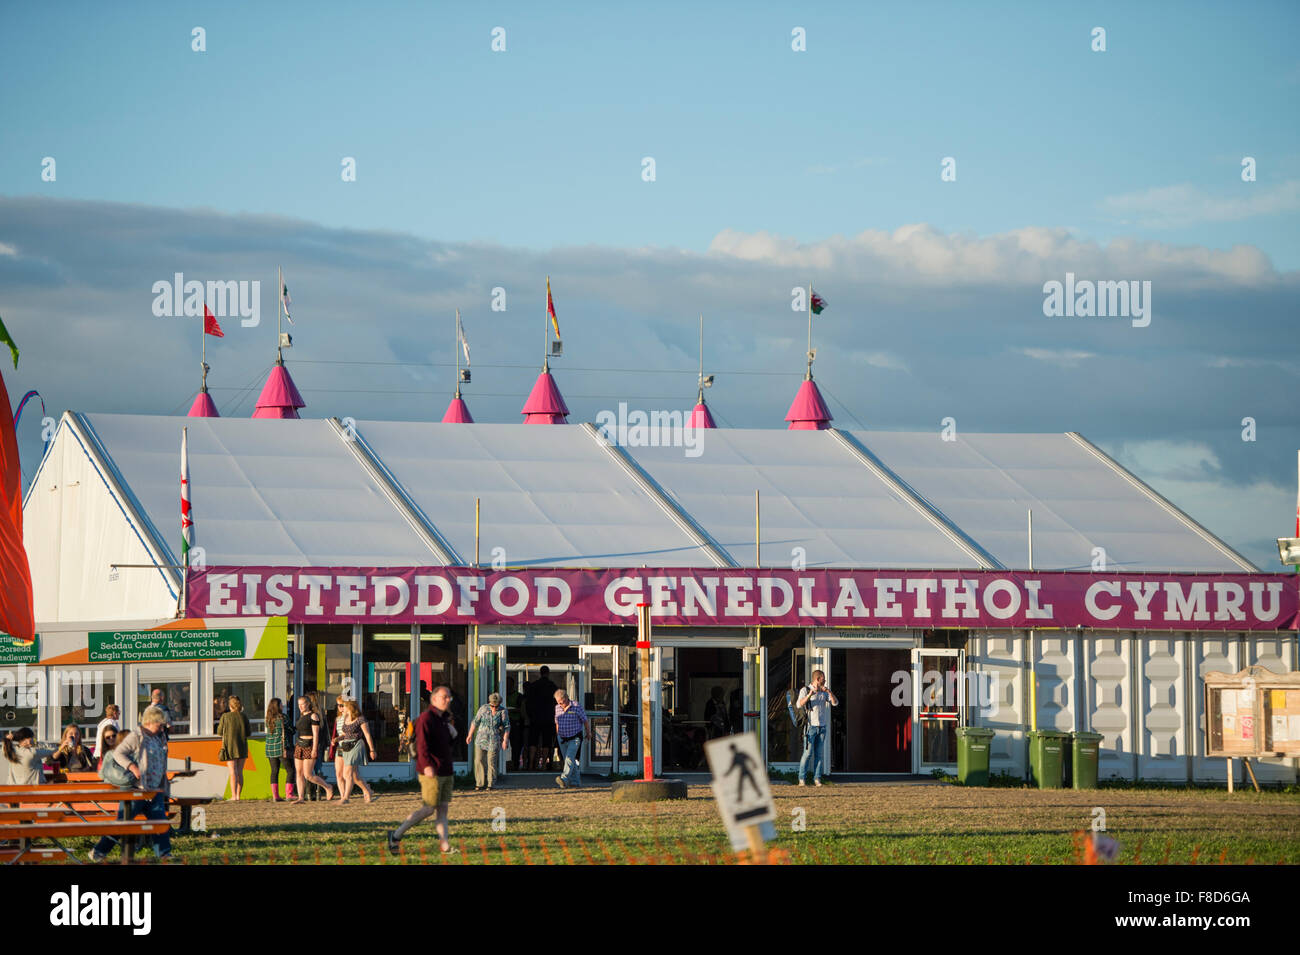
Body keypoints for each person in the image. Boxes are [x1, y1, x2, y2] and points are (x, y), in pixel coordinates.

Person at [89, 706, 173, 863]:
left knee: (160, 822)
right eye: (159, 724)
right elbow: (118, 753)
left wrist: (163, 784)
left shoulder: (158, 737)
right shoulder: (136, 736)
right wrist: (132, 767)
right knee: (122, 823)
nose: (162, 728)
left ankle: (164, 854)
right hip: (136, 790)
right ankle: (99, 851)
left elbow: (160, 760)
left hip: (153, 790)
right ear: (150, 722)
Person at [388, 685, 458, 856]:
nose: (447, 700)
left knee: (442, 809)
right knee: (428, 809)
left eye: (449, 697)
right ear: (433, 699)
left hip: (445, 770)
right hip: (431, 771)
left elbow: (449, 743)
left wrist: (452, 731)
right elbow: (422, 746)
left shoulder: (444, 719)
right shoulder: (426, 718)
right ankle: (396, 835)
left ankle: (445, 846)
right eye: (444, 697)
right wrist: (426, 766)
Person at [796, 669, 838, 787]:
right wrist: (810, 694)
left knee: (819, 754)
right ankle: (801, 778)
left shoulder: (824, 692)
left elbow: (835, 703)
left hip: (822, 727)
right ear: (818, 679)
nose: (825, 681)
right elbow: (799, 704)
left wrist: (829, 692)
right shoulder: (805, 690)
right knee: (808, 753)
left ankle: (817, 779)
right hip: (810, 727)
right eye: (823, 679)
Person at [291, 695, 334, 803]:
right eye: (299, 704)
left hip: (309, 745)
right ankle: (301, 797)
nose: (300, 706)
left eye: (303, 704)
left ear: (308, 704)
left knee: (308, 775)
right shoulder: (301, 716)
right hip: (299, 745)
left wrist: (314, 749)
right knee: (299, 773)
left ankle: (327, 786)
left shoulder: (313, 716)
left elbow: (316, 734)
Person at [335, 699, 377, 804]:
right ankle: (367, 790)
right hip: (346, 745)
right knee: (354, 776)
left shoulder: (360, 719)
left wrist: (372, 750)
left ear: (350, 707)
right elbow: (346, 734)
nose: (341, 708)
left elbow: (367, 735)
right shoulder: (345, 718)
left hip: (356, 745)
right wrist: (337, 739)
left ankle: (345, 798)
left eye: (343, 706)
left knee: (347, 773)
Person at [466, 692, 510, 791]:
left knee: (492, 762)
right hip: (481, 739)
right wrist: (470, 735)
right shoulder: (483, 709)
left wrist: (505, 740)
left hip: (494, 739)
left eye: (496, 706)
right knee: (479, 760)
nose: (494, 708)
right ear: (489, 703)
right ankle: (479, 783)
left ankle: (491, 783)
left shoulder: (503, 711)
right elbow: (475, 721)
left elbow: (507, 727)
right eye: (492, 705)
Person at [216, 695, 252, 800]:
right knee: (240, 772)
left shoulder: (225, 717)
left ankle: (233, 795)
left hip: (230, 747)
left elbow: (219, 732)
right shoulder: (244, 716)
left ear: (230, 705)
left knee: (233, 772)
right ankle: (238, 795)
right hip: (242, 746)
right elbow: (248, 733)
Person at [553, 688, 589, 789]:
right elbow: (557, 722)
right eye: (558, 703)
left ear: (566, 698)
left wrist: (588, 733)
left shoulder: (576, 706)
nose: (560, 704)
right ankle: (575, 782)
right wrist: (557, 735)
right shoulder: (557, 708)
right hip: (562, 738)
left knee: (569, 758)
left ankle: (563, 779)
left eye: (562, 702)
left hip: (575, 737)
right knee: (569, 760)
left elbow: (585, 720)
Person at [525, 666, 558, 770]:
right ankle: (543, 764)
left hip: (535, 717)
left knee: (533, 741)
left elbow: (528, 702)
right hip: (548, 718)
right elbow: (556, 702)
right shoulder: (552, 686)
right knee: (546, 742)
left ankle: (531, 764)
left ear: (540, 673)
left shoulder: (534, 686)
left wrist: (530, 715)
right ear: (548, 673)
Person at [264, 698, 294, 802]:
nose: (283, 706)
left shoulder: (268, 719)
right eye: (281, 704)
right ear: (278, 706)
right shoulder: (283, 717)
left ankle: (275, 796)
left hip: (270, 749)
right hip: (281, 748)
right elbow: (291, 730)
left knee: (274, 771)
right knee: (290, 770)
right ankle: (289, 794)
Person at [506, 676, 526, 770]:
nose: (508, 686)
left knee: (516, 744)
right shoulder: (501, 694)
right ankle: (504, 764)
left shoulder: (518, 696)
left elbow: (522, 710)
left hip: (515, 722)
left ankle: (515, 763)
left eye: (509, 684)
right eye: (506, 684)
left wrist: (513, 710)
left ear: (513, 685)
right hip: (504, 722)